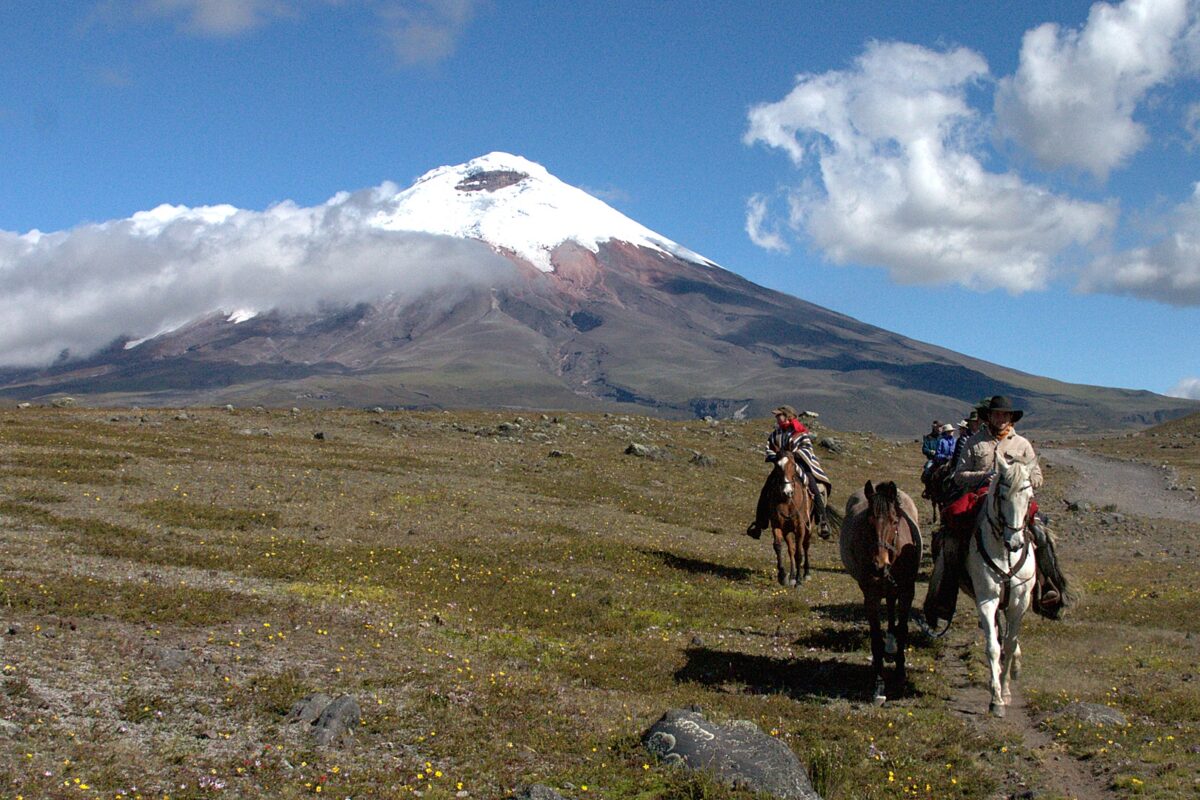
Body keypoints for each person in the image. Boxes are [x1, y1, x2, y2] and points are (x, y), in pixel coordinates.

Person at [925, 395, 1062, 626]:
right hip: (979, 498)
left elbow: (1037, 475)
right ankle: (945, 596)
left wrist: (1022, 480)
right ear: (989, 416)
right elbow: (959, 475)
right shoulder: (973, 442)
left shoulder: (1022, 444)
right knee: (951, 539)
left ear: (1011, 418)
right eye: (997, 414)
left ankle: (1047, 586)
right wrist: (985, 476)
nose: (1001, 418)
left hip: (1015, 500)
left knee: (1041, 534)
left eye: (1005, 415)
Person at [746, 405, 834, 540]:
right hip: (782, 466)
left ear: (787, 416)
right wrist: (777, 457)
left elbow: (807, 449)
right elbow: (769, 448)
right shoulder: (776, 434)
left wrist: (793, 456)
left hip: (800, 465)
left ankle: (823, 521)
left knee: (814, 488)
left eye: (779, 415)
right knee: (766, 490)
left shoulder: (800, 433)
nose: (776, 418)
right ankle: (759, 523)